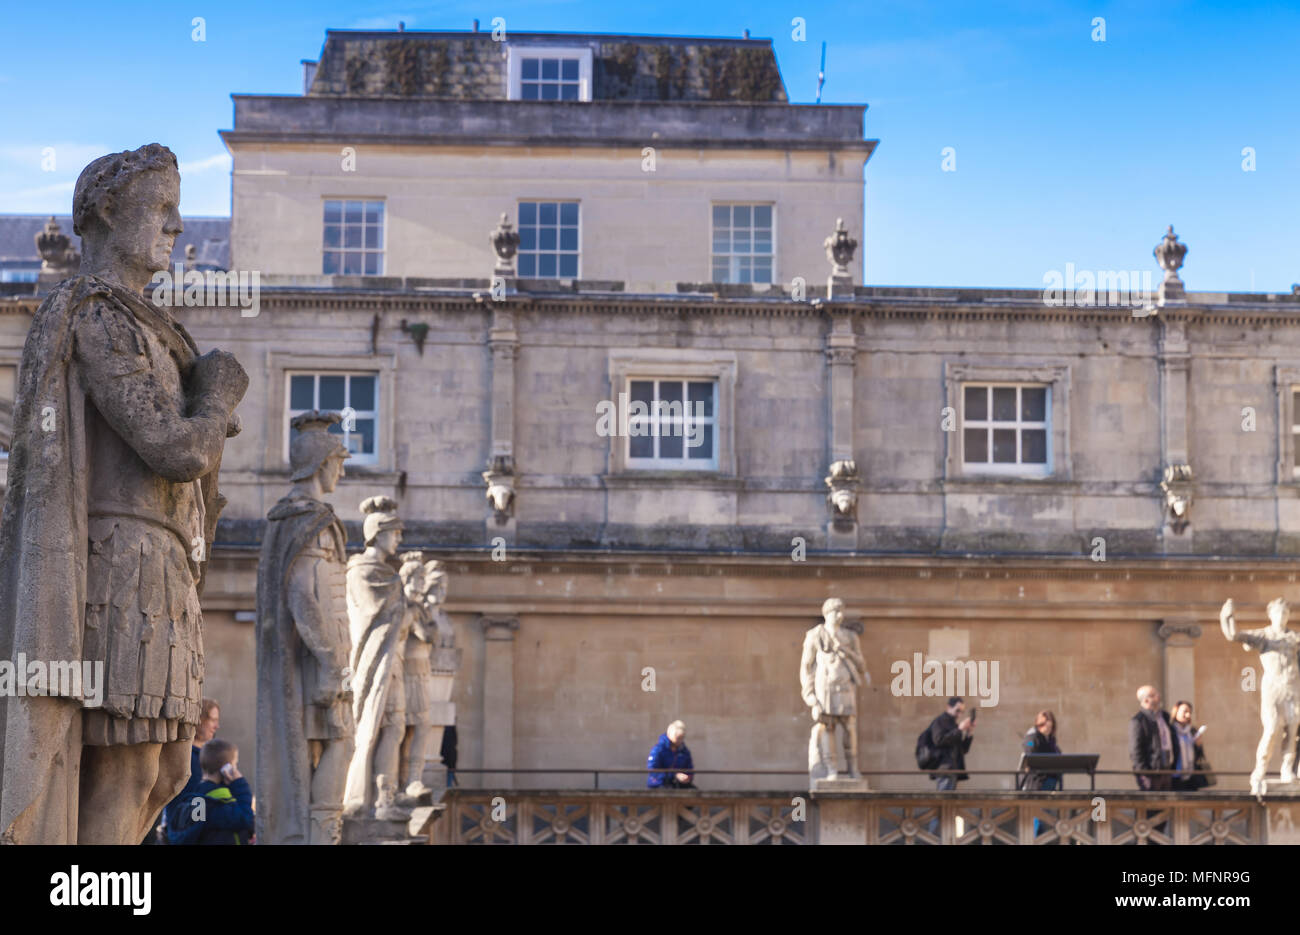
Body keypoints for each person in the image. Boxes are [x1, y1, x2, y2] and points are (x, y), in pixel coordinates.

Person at [0, 144, 248, 845]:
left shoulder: (155, 332)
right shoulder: (97, 316)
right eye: (161, 207)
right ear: (109, 212)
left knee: (169, 770)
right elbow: (173, 449)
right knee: (127, 768)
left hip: (164, 569)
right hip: (117, 563)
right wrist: (216, 397)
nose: (176, 223)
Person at [168, 738, 255, 845]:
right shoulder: (217, 804)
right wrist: (240, 785)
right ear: (227, 768)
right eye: (235, 764)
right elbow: (246, 819)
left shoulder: (193, 800)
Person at [157, 698, 220, 843]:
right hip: (179, 832)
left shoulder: (214, 754)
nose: (217, 726)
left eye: (217, 720)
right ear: (199, 720)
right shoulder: (184, 755)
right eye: (212, 720)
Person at [1019, 710, 1061, 838]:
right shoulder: (1032, 737)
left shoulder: (1051, 741)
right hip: (1036, 784)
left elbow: (1058, 756)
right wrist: (1034, 736)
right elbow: (1028, 749)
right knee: (1036, 818)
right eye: (1042, 725)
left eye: (1049, 726)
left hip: (1049, 784)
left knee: (1042, 818)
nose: (1046, 728)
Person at [1129, 685, 1174, 791]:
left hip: (1167, 770)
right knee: (1151, 806)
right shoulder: (1138, 721)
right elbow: (1135, 750)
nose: (1158, 697)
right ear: (1146, 700)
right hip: (1151, 773)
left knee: (1167, 806)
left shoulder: (1164, 717)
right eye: (1154, 695)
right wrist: (1144, 773)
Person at [927, 697, 974, 792]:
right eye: (957, 711)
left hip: (953, 769)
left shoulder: (953, 725)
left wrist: (969, 733)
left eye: (962, 711)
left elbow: (963, 749)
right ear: (948, 707)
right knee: (945, 801)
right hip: (944, 769)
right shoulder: (939, 721)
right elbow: (938, 740)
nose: (959, 714)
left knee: (949, 801)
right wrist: (959, 729)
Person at [1170, 700, 1214, 791]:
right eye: (1185, 711)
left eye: (1189, 712)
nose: (1188, 715)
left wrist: (1198, 745)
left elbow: (1199, 756)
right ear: (1176, 712)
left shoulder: (1192, 730)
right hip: (1174, 775)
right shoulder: (1170, 730)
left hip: (1191, 775)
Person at [646, 720, 694, 788]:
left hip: (679, 785)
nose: (679, 741)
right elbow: (653, 771)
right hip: (660, 784)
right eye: (677, 737)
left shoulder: (684, 751)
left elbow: (689, 769)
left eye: (681, 738)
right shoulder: (659, 749)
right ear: (669, 734)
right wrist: (674, 775)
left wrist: (687, 777)